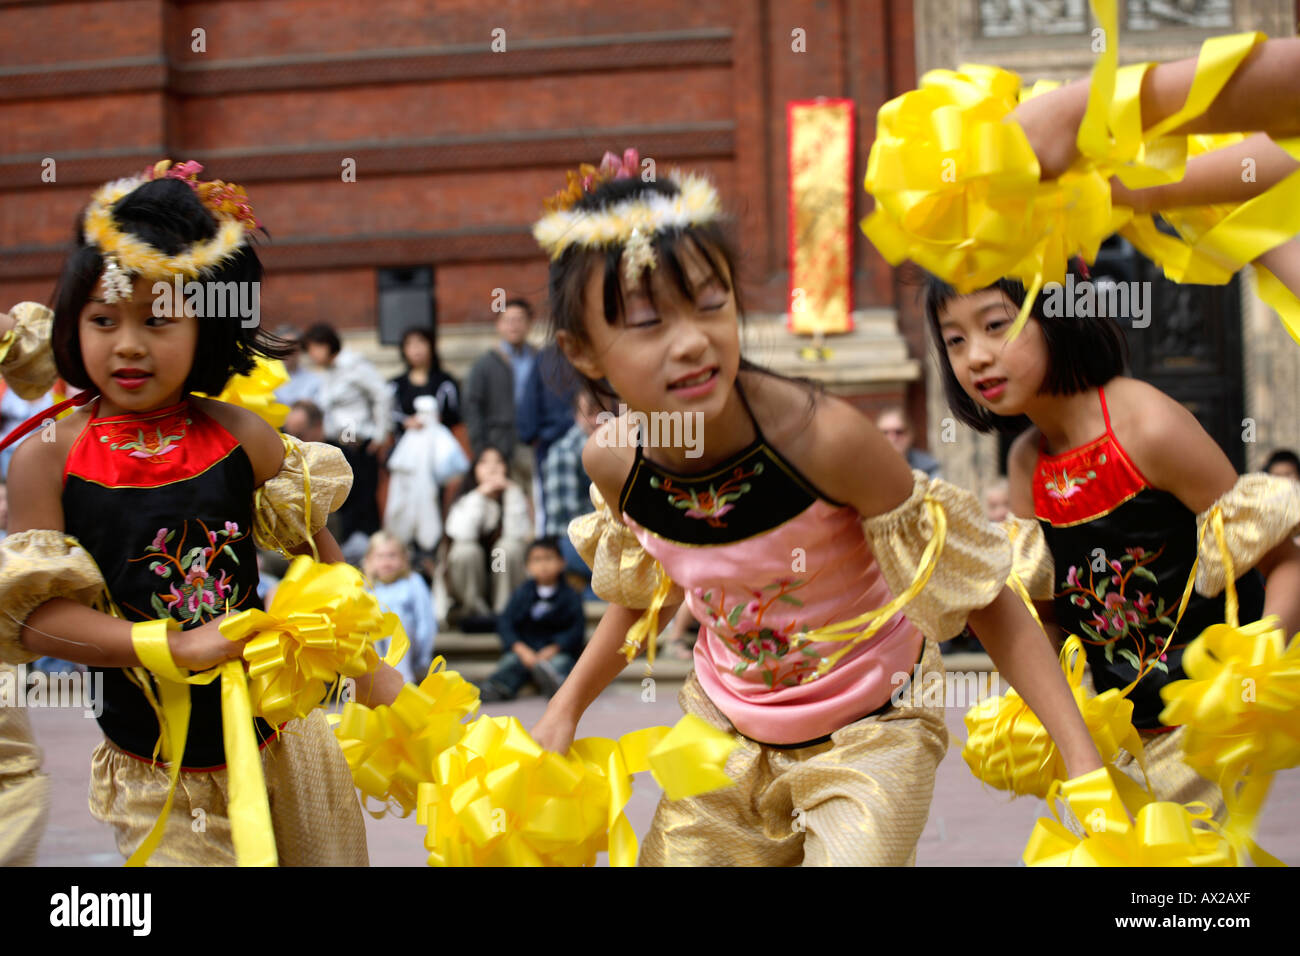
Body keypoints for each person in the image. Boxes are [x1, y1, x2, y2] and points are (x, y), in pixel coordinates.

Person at [526, 151, 1102, 866]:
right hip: (723, 730)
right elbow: (649, 589)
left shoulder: (828, 441)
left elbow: (984, 599)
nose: (693, 339)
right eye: (647, 321)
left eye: (712, 301)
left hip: (874, 726)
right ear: (581, 352)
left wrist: (1082, 761)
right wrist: (564, 707)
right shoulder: (615, 462)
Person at [0, 163, 405, 866]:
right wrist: (170, 645)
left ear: (208, 326)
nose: (128, 344)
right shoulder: (47, 457)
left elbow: (320, 557)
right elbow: (33, 617)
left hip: (284, 740)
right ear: (72, 322)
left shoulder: (240, 434)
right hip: (159, 769)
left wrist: (371, 671)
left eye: (158, 321)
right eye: (103, 319)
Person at [925, 270, 1300, 817]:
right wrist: (1047, 719)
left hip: (1197, 727)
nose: (976, 356)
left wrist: (1257, 666)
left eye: (995, 325)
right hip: (1110, 733)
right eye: (955, 339)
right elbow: (1046, 614)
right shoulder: (1028, 459)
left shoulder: (1148, 424)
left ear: (1058, 311)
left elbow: (1282, 556)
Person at [299, 321, 393, 553]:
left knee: (364, 503)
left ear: (326, 344)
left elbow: (382, 394)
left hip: (360, 444)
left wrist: (381, 434)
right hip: (338, 444)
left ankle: (372, 552)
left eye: (314, 348)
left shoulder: (353, 365)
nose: (311, 355)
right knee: (344, 502)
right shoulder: (327, 373)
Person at [476, 538, 585, 702]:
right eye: (537, 560)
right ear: (528, 566)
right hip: (525, 652)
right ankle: (497, 687)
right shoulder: (521, 593)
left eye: (549, 558)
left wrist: (554, 649)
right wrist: (521, 649)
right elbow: (506, 623)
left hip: (554, 652)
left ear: (562, 563)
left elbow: (576, 630)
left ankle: (556, 686)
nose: (543, 565)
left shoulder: (570, 596)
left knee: (561, 664)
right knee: (510, 662)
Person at [444, 445, 531, 623]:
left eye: (498, 462)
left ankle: (503, 610)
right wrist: (479, 496)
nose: (492, 468)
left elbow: (516, 535)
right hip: (472, 578)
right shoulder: (465, 499)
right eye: (484, 462)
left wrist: (512, 494)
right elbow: (462, 535)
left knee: (506, 548)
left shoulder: (515, 495)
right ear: (474, 469)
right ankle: (476, 611)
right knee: (466, 550)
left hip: (501, 570)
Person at [463, 298, 536, 482]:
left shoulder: (540, 359)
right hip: (498, 446)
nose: (514, 326)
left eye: (519, 320)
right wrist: (481, 448)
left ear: (529, 324)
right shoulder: (485, 364)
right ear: (498, 325)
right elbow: (472, 407)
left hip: (535, 443)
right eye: (508, 320)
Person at [542, 390, 601, 594]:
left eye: (604, 411)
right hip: (568, 541)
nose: (599, 418)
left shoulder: (614, 449)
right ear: (577, 416)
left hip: (601, 537)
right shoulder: (564, 452)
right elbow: (570, 520)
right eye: (592, 412)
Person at [518, 344, 579, 534]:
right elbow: (529, 403)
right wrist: (532, 434)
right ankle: (556, 552)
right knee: (550, 505)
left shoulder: (596, 350)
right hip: (549, 444)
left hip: (595, 439)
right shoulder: (546, 358)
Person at [362, 531, 437, 684]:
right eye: (380, 556)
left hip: (409, 650)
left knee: (396, 619)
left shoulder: (413, 582)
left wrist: (423, 660)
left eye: (392, 556)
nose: (386, 562)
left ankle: (402, 682)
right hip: (376, 650)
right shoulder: (366, 588)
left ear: (404, 559)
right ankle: (375, 679)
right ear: (369, 560)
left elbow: (426, 621)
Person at [389, 326, 462, 442]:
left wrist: (437, 419)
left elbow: (457, 414)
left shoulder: (445, 383)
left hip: (440, 446)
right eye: (410, 344)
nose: (416, 348)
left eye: (421, 342)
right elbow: (389, 415)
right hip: (404, 446)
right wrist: (406, 422)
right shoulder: (395, 385)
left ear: (431, 346)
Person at [875, 406, 941, 479]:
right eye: (885, 433)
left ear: (911, 434)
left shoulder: (928, 467)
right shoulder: (866, 466)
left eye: (899, 432)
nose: (892, 438)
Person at [271, 323, 320, 407]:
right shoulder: (263, 379)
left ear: (300, 349)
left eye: (291, 347)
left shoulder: (314, 381)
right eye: (281, 347)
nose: (286, 352)